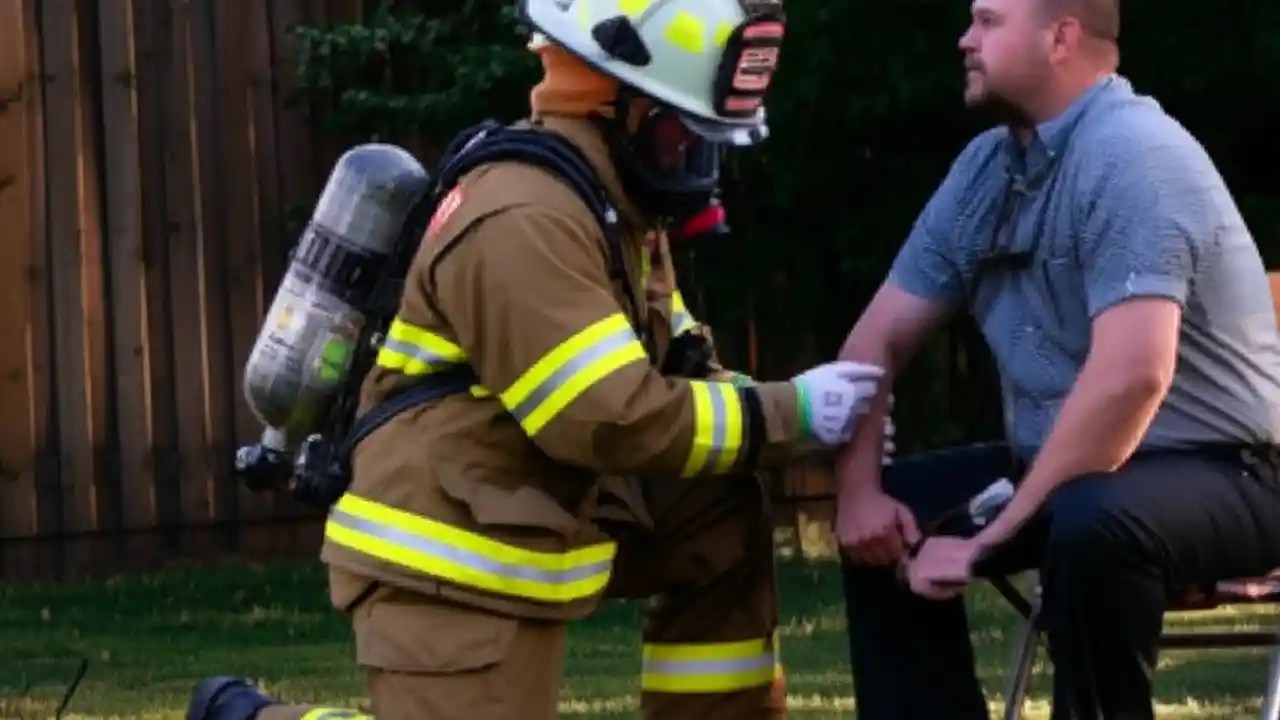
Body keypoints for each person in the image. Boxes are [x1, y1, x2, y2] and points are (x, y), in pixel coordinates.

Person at [185, 0, 888, 718]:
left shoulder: (614, 210)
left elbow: (679, 370)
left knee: (717, 496)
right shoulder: (525, 219)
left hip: (534, 502)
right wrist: (794, 413)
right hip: (448, 555)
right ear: (614, 103)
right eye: (681, 132)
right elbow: (609, 417)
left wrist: (803, 421)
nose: (692, 158)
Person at [832, 0, 1280, 718]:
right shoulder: (986, 171)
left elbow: (1132, 379)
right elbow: (874, 343)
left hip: (1233, 471)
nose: (965, 39)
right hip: (1070, 472)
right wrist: (859, 496)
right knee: (897, 515)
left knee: (1091, 521)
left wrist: (990, 540)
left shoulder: (1136, 155)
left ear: (1061, 37)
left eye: (988, 21)